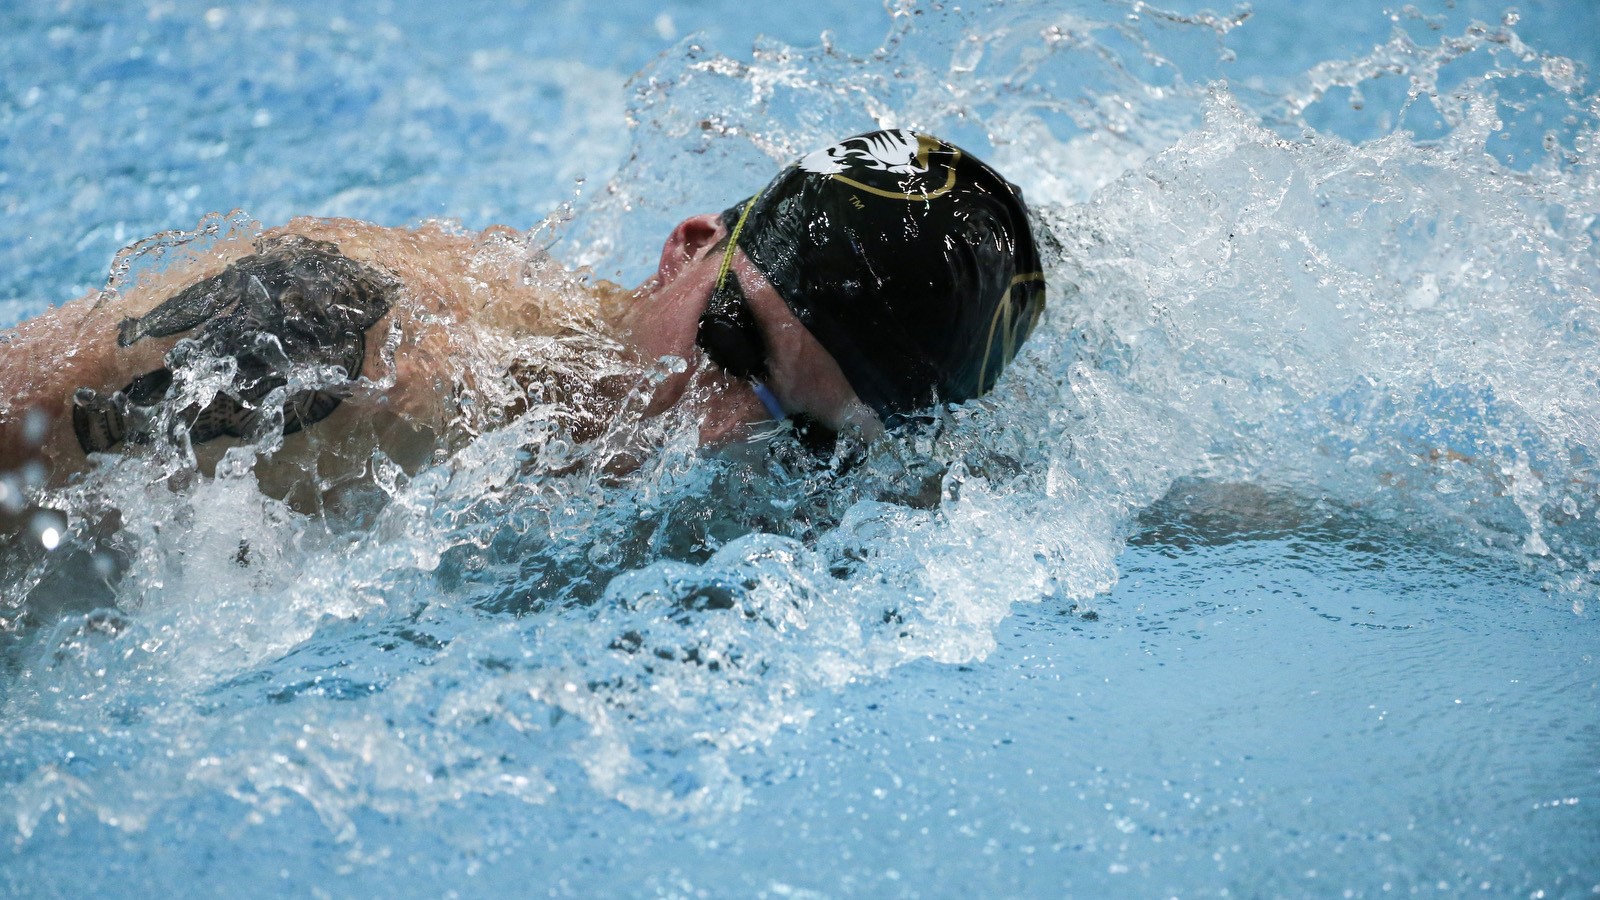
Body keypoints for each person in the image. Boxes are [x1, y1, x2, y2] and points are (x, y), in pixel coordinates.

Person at [0, 129, 1046, 527]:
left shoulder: (836, 498)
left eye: (807, 437)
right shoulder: (355, 346)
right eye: (731, 351)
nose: (726, 433)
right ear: (686, 250)